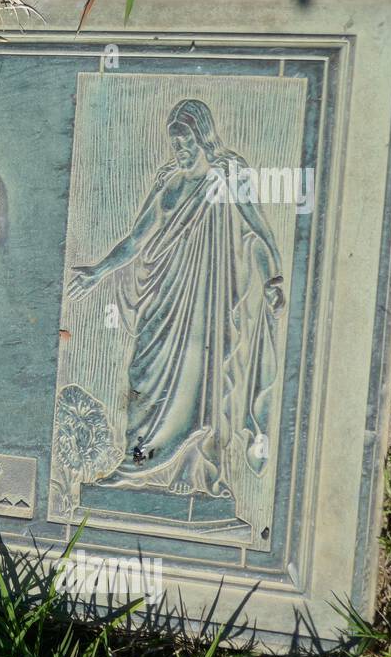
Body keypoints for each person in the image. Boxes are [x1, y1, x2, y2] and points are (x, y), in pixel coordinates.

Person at [67, 99, 286, 499]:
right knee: (143, 376)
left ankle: (193, 461)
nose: (180, 151)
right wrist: (98, 270)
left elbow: (259, 226)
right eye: (175, 144)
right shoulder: (169, 182)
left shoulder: (226, 176)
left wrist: (273, 276)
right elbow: (137, 239)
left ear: (203, 136)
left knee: (198, 376)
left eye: (186, 141)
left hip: (203, 299)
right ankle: (138, 459)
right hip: (163, 297)